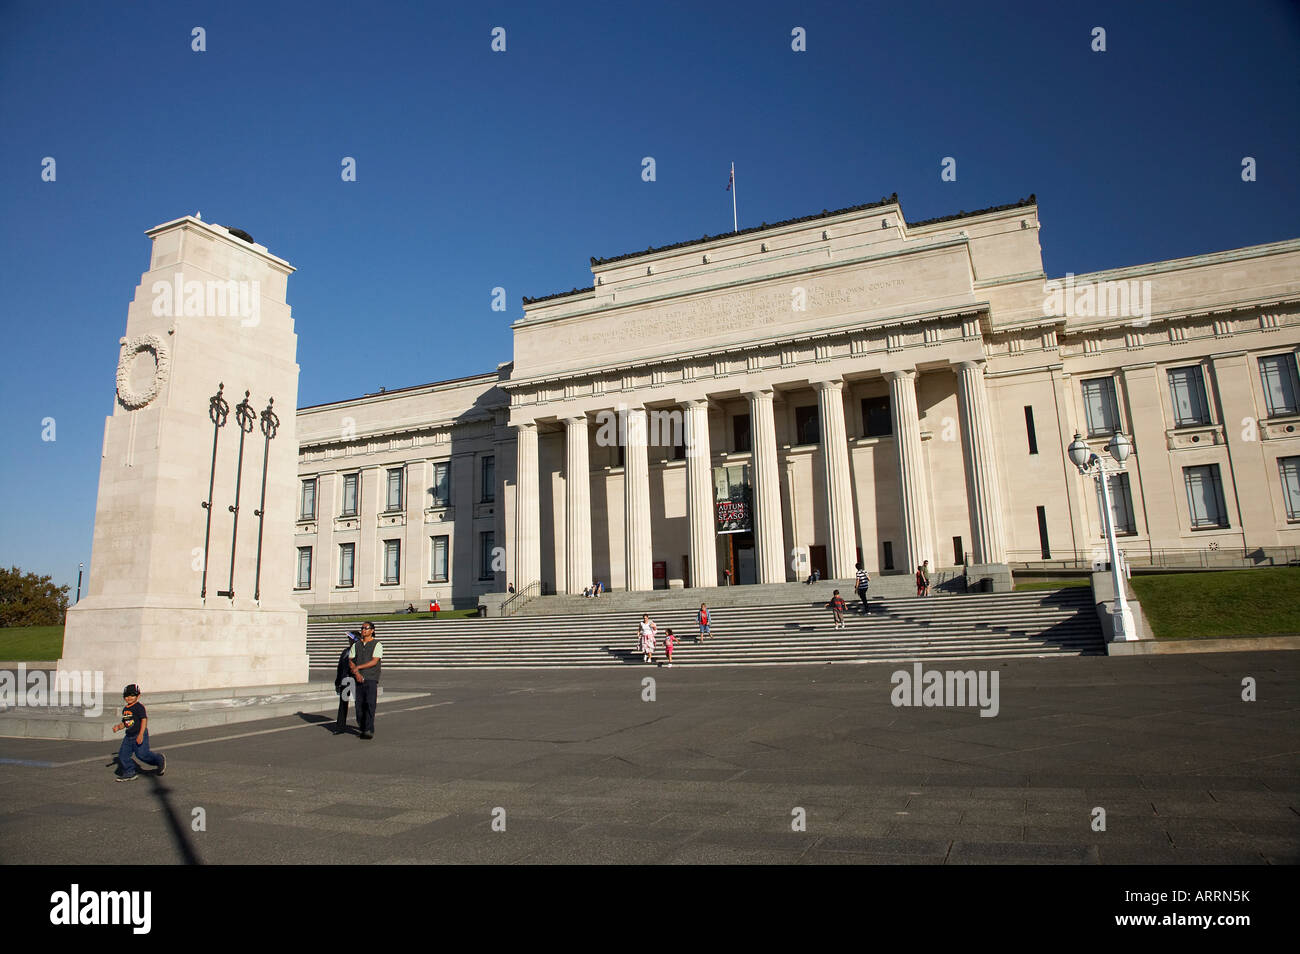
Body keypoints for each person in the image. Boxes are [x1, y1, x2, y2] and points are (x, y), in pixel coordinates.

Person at [111, 684, 165, 781]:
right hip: (129, 736)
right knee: (123, 755)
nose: (129, 698)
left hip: (139, 733)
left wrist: (141, 734)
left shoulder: (139, 707)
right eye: (127, 696)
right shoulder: (125, 709)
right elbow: (126, 722)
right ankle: (130, 772)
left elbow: (144, 720)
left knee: (142, 755)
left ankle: (159, 760)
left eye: (132, 695)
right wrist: (118, 727)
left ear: (138, 696)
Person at [348, 621, 383, 740]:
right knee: (359, 705)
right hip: (358, 677)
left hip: (371, 677)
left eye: (366, 628)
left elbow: (374, 661)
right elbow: (351, 660)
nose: (363, 630)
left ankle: (368, 729)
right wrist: (356, 672)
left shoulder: (377, 644)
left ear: (372, 630)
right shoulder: (356, 645)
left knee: (370, 703)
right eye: (362, 628)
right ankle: (363, 727)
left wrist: (359, 667)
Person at [334, 632, 359, 734]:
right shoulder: (345, 652)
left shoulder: (361, 651)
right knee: (343, 704)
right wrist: (337, 682)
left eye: (351, 639)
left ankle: (363, 726)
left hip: (356, 681)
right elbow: (340, 667)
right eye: (349, 639)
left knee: (360, 704)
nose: (349, 641)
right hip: (345, 680)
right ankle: (340, 727)